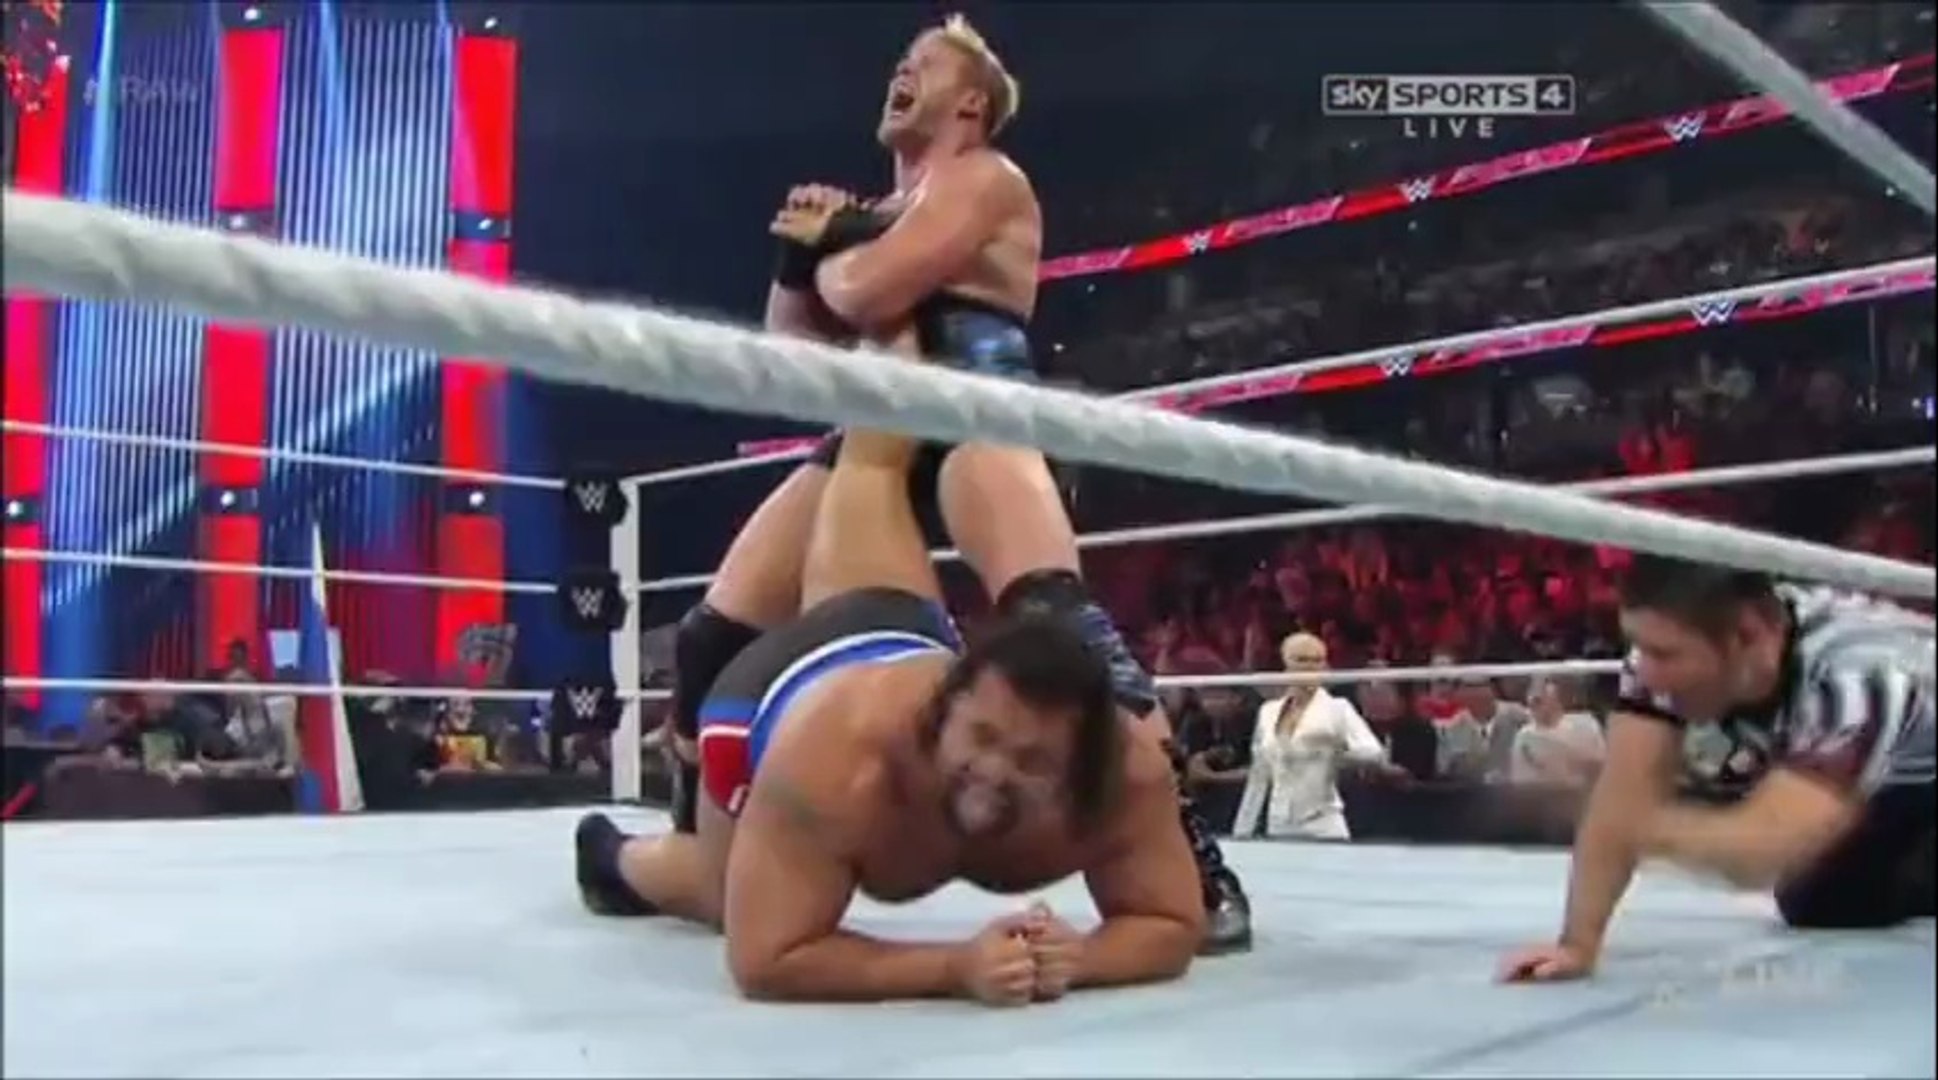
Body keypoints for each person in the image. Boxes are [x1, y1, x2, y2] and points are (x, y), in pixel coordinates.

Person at [659, 13, 1251, 953]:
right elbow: (792, 350)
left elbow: (869, 293)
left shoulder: (985, 178)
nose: (898, 72)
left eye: (922, 64)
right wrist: (799, 255)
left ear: (970, 103)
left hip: (979, 410)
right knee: (710, 636)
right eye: (899, 61)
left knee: (1063, 622)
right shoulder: (883, 210)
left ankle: (1193, 855)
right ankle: (706, 851)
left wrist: (835, 243)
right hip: (874, 425)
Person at [574, 405, 1205, 1004]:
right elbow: (765, 958)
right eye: (983, 738)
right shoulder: (838, 763)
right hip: (775, 690)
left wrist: (1081, 959)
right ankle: (613, 858)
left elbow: (1171, 922)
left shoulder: (1126, 773)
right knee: (725, 897)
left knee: (876, 475)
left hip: (901, 650)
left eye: (1034, 762)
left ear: (1081, 767)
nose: (995, 770)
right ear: (945, 708)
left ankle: (902, 399)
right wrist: (953, 968)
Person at [1500, 557, 1935, 984]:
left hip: (1917, 785)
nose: (1646, 672)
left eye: (1663, 653)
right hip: (1893, 786)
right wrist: (1577, 945)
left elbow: (1764, 848)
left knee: (1813, 876)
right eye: (1640, 647)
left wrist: (1643, 827)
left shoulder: (1857, 674)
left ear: (1747, 636)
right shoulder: (1673, 652)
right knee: (1817, 898)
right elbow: (1624, 789)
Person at [1233, 633, 1406, 841]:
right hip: (1278, 824)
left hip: (1323, 824)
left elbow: (1374, 753)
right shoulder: (1268, 712)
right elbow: (1259, 775)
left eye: (1317, 661)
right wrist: (1242, 829)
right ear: (1286, 665)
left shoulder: (1337, 708)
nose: (1310, 667)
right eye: (1302, 660)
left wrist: (1336, 750)